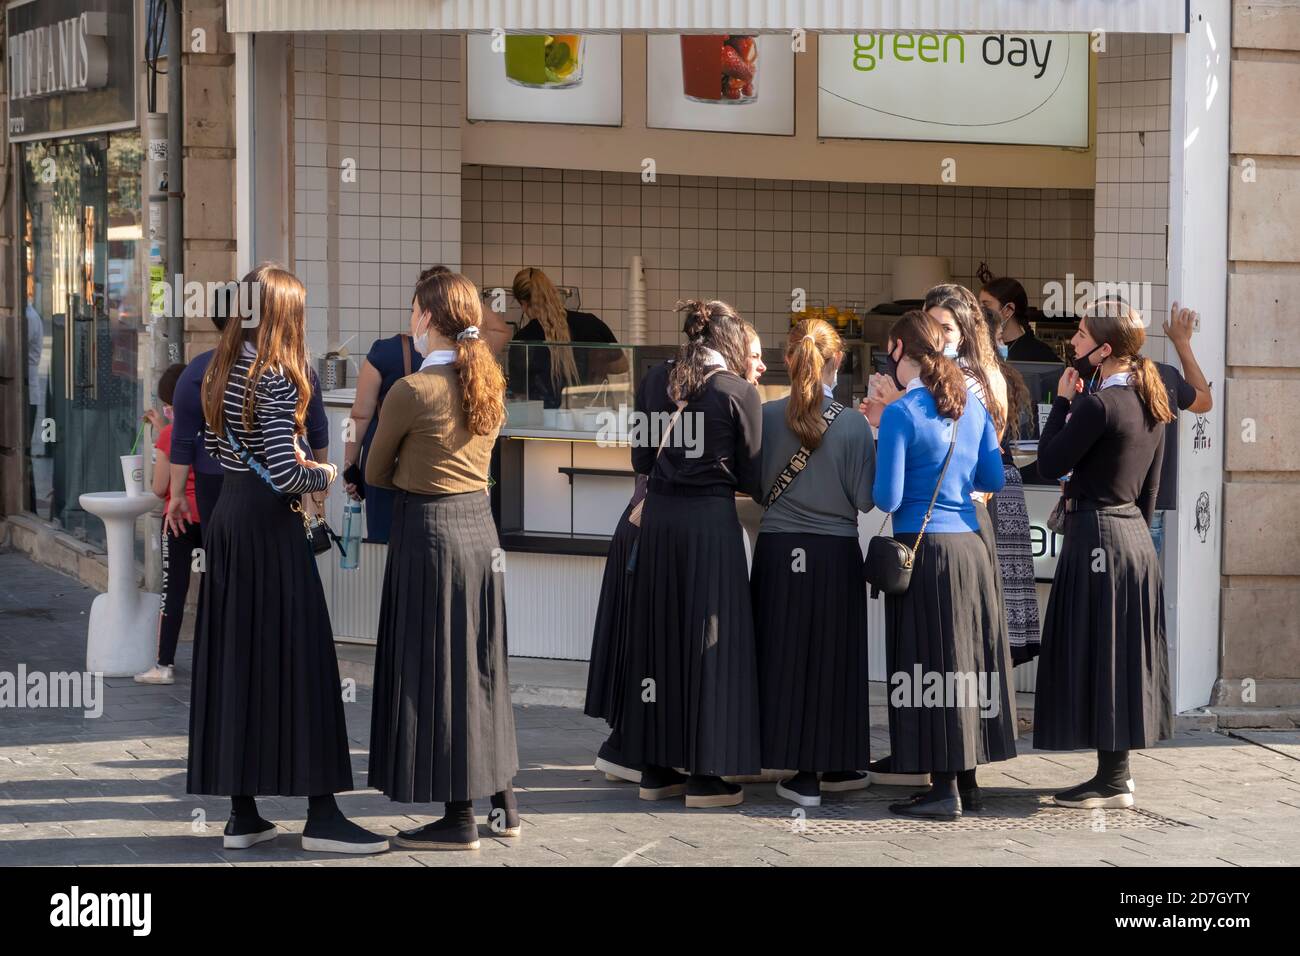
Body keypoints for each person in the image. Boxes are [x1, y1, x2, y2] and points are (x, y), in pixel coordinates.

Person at [187, 263, 387, 854]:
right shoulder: (275, 375)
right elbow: (284, 471)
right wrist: (331, 471)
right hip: (269, 532)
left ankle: (241, 814)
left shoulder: (219, 370)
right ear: (283, 313)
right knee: (304, 660)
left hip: (229, 523)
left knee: (237, 660)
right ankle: (322, 815)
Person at [366, 270, 519, 851]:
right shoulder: (490, 383)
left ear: (426, 318)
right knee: (483, 665)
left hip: (428, 535)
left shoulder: (411, 389)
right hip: (481, 532)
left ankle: (458, 820)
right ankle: (503, 802)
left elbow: (376, 472)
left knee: (440, 673)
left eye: (414, 310)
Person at [585, 315, 770, 788]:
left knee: (659, 636)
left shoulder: (653, 379)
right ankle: (706, 776)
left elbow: (641, 459)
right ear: (729, 347)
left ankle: (656, 769)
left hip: (660, 522)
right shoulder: (738, 392)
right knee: (709, 638)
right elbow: (753, 478)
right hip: (709, 524)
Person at [865, 310, 1015, 819]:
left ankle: (941, 788)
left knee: (929, 665)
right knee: (966, 663)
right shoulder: (971, 405)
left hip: (922, 550)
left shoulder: (903, 414)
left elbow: (886, 497)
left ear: (897, 348)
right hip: (971, 548)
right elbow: (992, 475)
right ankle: (967, 781)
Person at [1034, 300, 1174, 809]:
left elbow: (1050, 463)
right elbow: (1151, 492)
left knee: (1094, 651)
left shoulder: (1097, 405)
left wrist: (1062, 403)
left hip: (1096, 536)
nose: (1073, 340)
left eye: (1080, 333)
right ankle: (1116, 774)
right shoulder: (1153, 402)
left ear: (1104, 349)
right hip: (1132, 537)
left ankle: (1112, 779)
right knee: (1120, 655)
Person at [754, 319, 876, 808]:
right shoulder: (852, 424)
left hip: (779, 552)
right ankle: (837, 760)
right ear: (837, 361)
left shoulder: (764, 417)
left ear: (789, 359)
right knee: (835, 658)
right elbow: (867, 500)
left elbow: (752, 485)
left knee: (784, 655)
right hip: (835, 555)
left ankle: (796, 769)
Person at [166, 300, 331, 538]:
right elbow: (317, 427)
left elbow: (182, 440)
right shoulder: (295, 369)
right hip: (285, 480)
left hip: (220, 483)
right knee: (284, 560)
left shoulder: (201, 370)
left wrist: (177, 494)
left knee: (225, 562)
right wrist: (322, 477)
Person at [135, 364, 203, 686]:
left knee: (172, 590)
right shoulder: (213, 426)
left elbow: (160, 487)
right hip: (213, 516)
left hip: (178, 520)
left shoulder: (169, 435)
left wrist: (163, 433)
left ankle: (164, 665)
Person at [509, 266, 627, 408]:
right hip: (591, 417)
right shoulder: (590, 323)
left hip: (544, 423)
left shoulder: (523, 340)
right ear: (551, 292)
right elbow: (622, 366)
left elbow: (520, 397)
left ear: (523, 304)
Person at [979, 276, 1060, 363]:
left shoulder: (1040, 355)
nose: (979, 311)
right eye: (978, 305)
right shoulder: (980, 349)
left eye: (986, 305)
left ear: (1008, 310)